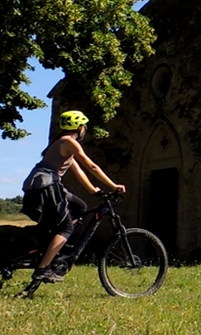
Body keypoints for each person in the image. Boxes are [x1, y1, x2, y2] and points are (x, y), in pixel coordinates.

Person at [21, 110, 125, 283]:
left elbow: (78, 171)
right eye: (84, 125)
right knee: (66, 228)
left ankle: (54, 247)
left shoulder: (61, 143)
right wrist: (113, 186)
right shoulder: (69, 142)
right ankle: (43, 269)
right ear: (79, 127)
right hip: (48, 185)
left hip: (41, 184)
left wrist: (94, 190)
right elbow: (91, 166)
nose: (85, 129)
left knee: (80, 207)